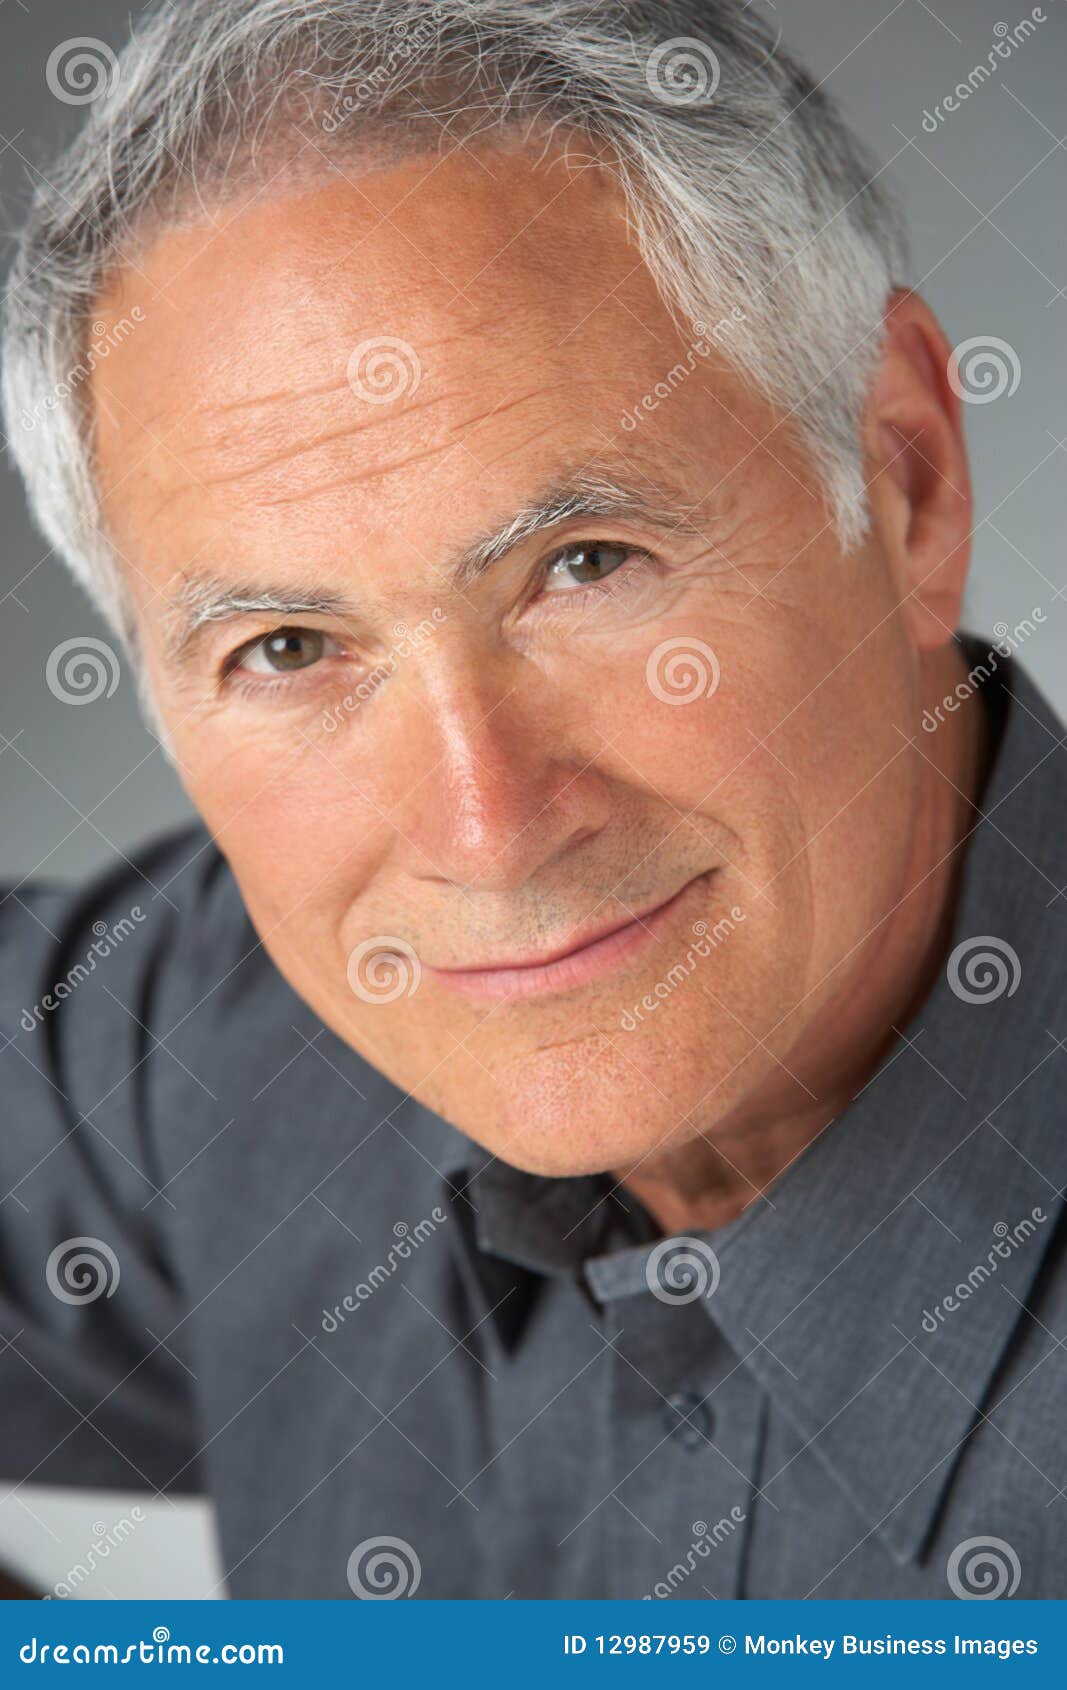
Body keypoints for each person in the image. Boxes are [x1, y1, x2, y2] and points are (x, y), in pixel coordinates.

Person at [1, 0, 1063, 1600]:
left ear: (904, 477)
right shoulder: (221, 1052)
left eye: (587, 565)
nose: (488, 828)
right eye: (288, 646)